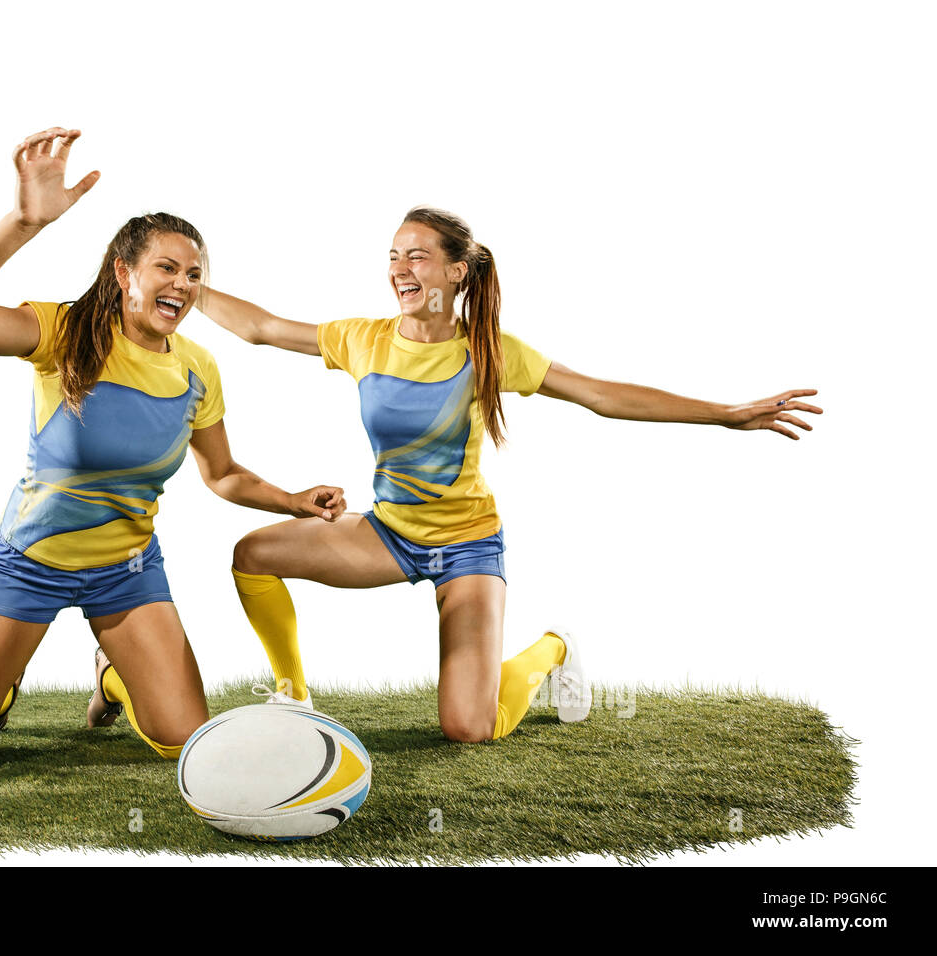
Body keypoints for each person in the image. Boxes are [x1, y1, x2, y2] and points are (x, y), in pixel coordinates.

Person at [199, 205, 822, 742]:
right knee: (254, 553)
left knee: (469, 727)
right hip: (388, 535)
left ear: (455, 271)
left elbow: (601, 395)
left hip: (466, 547)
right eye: (393, 256)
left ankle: (554, 649)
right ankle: (294, 695)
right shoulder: (363, 339)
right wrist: (183, 288)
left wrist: (723, 415)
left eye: (417, 256)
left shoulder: (490, 351)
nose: (399, 269)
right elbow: (261, 329)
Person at [0, 127, 345, 774]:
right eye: (166, 267)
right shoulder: (64, 330)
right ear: (123, 272)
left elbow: (221, 475)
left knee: (181, 744)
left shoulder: (197, 369)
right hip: (27, 564)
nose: (183, 284)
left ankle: (113, 675)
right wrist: (22, 224)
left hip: (128, 572)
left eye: (194, 274)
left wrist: (291, 499)